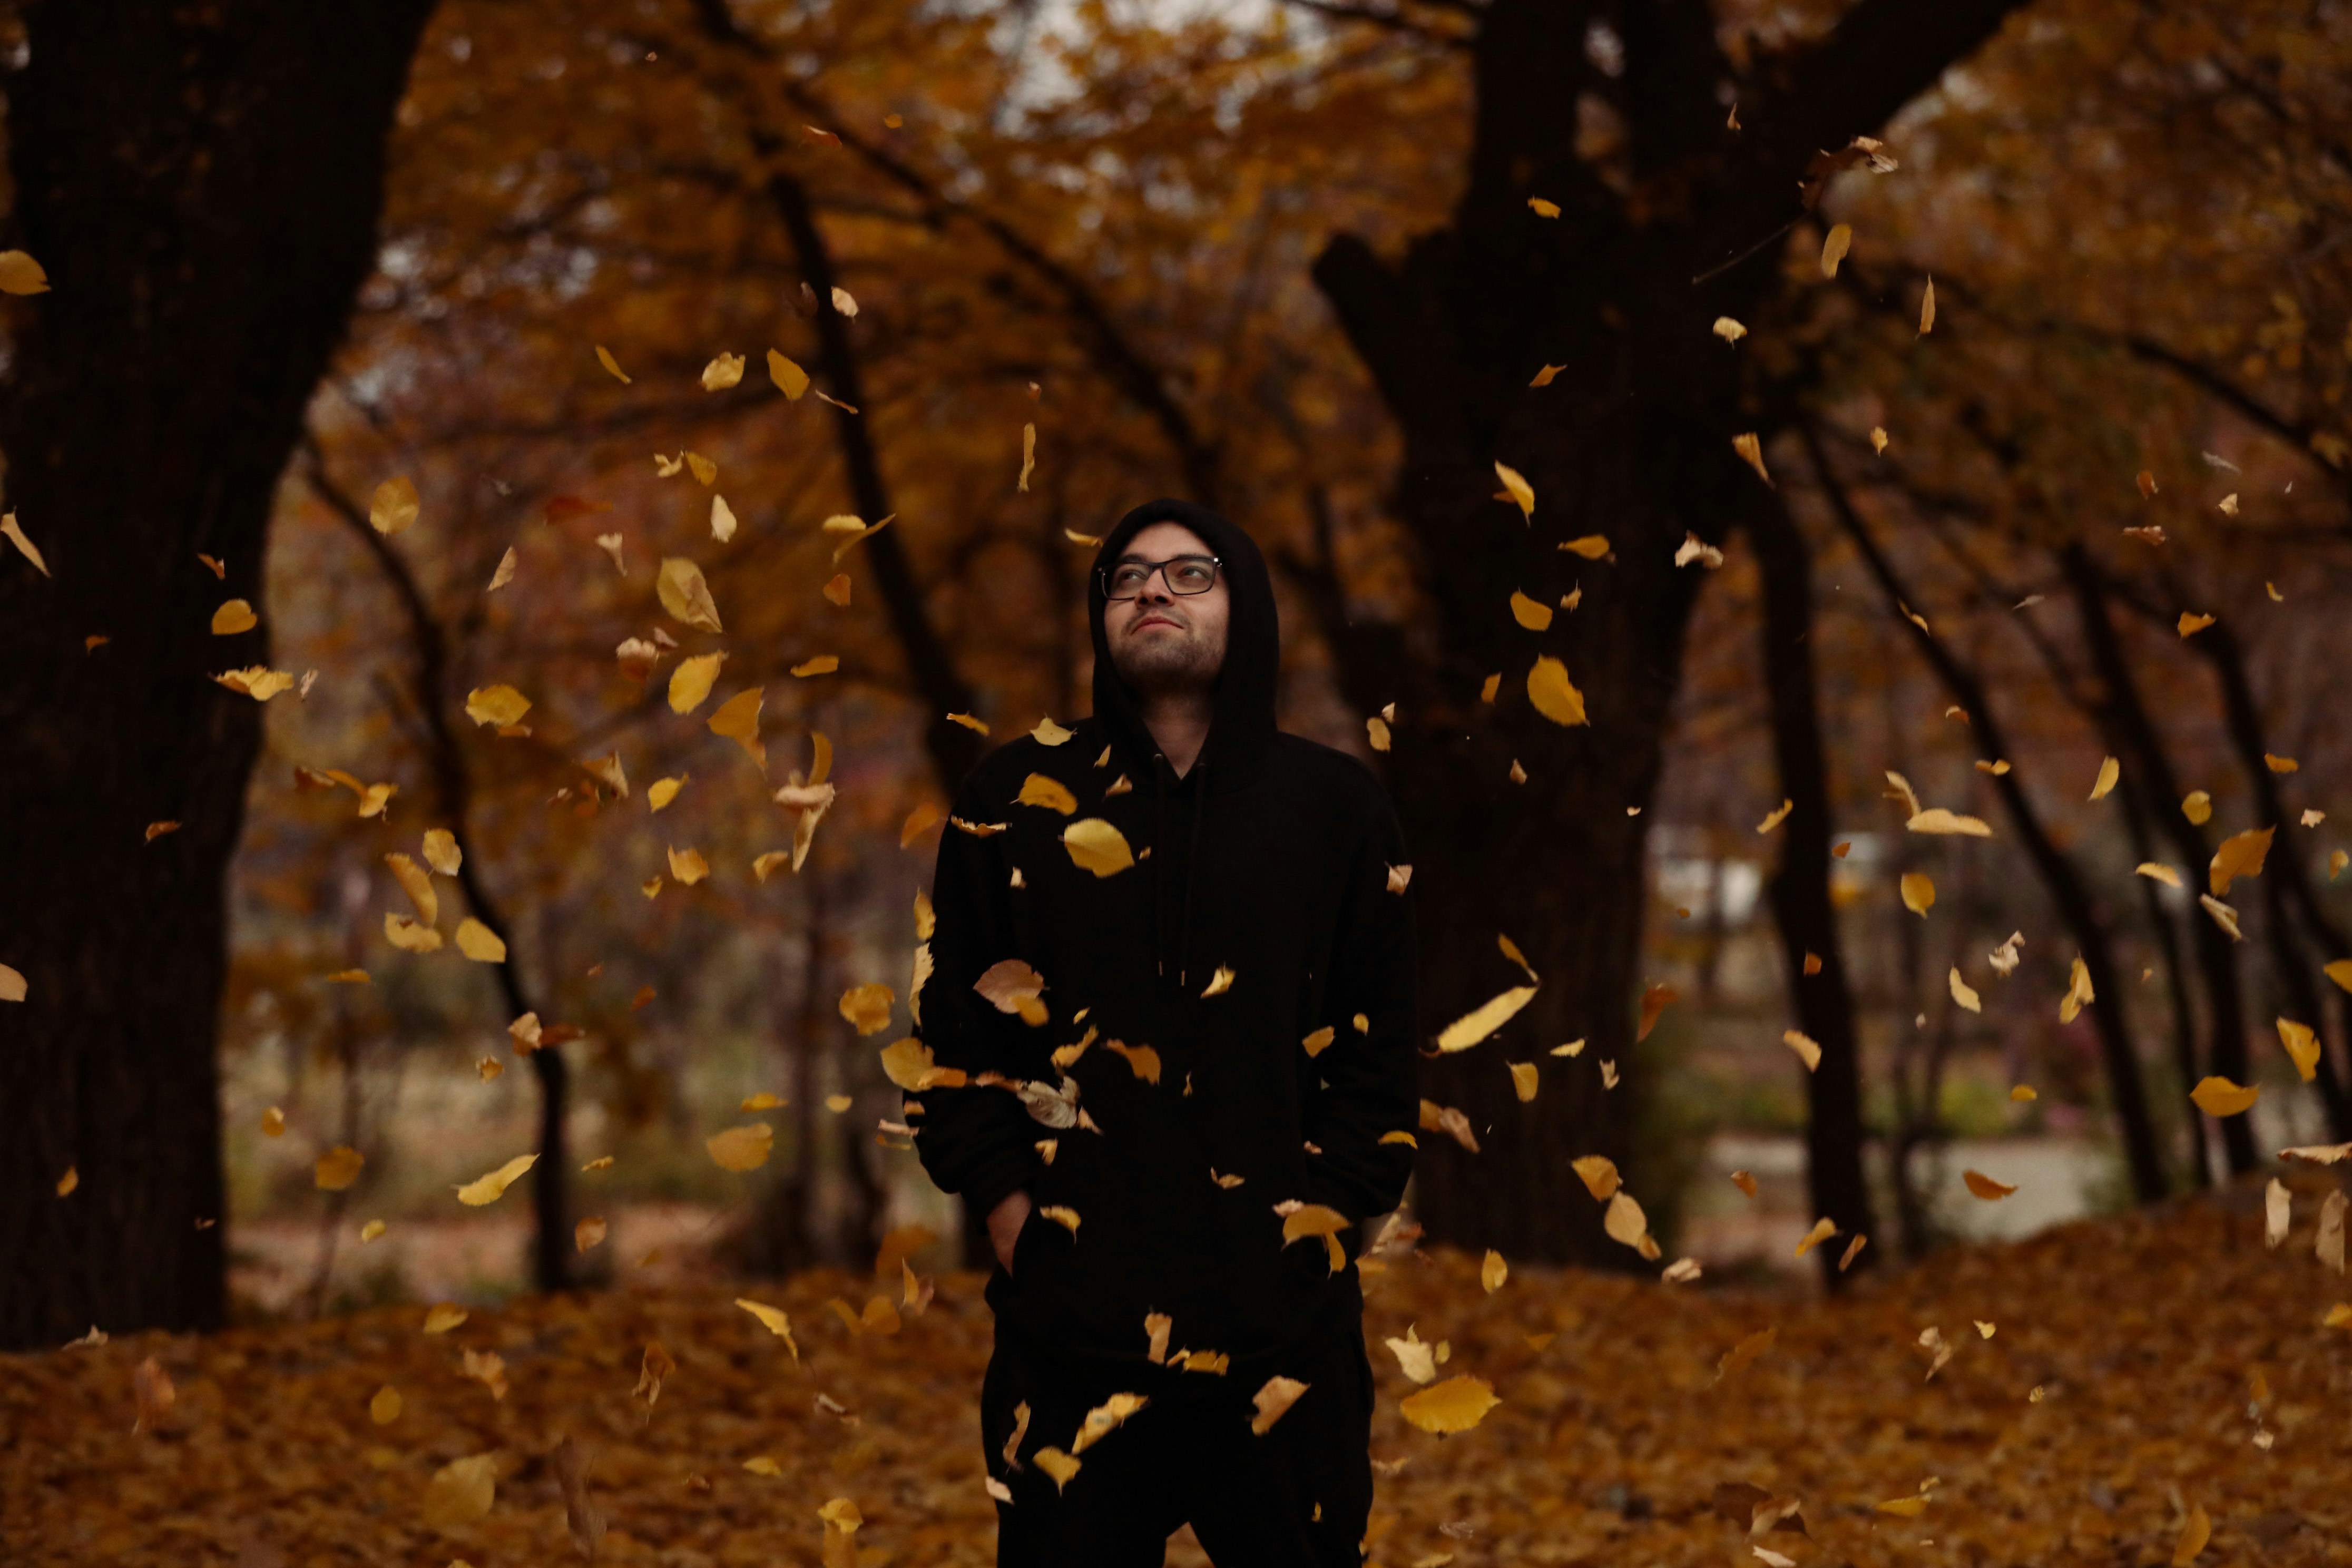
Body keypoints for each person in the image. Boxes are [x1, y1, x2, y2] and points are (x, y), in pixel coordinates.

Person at [905, 497, 1419, 1566]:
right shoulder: (1016, 797)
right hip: (1070, 1333)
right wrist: (1015, 1223)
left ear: (1250, 610)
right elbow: (957, 1044)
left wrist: (1319, 1236)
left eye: (1191, 575)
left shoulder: (1336, 811)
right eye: (1127, 577)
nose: (1149, 590)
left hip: (1284, 1340)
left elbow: (1378, 1056)